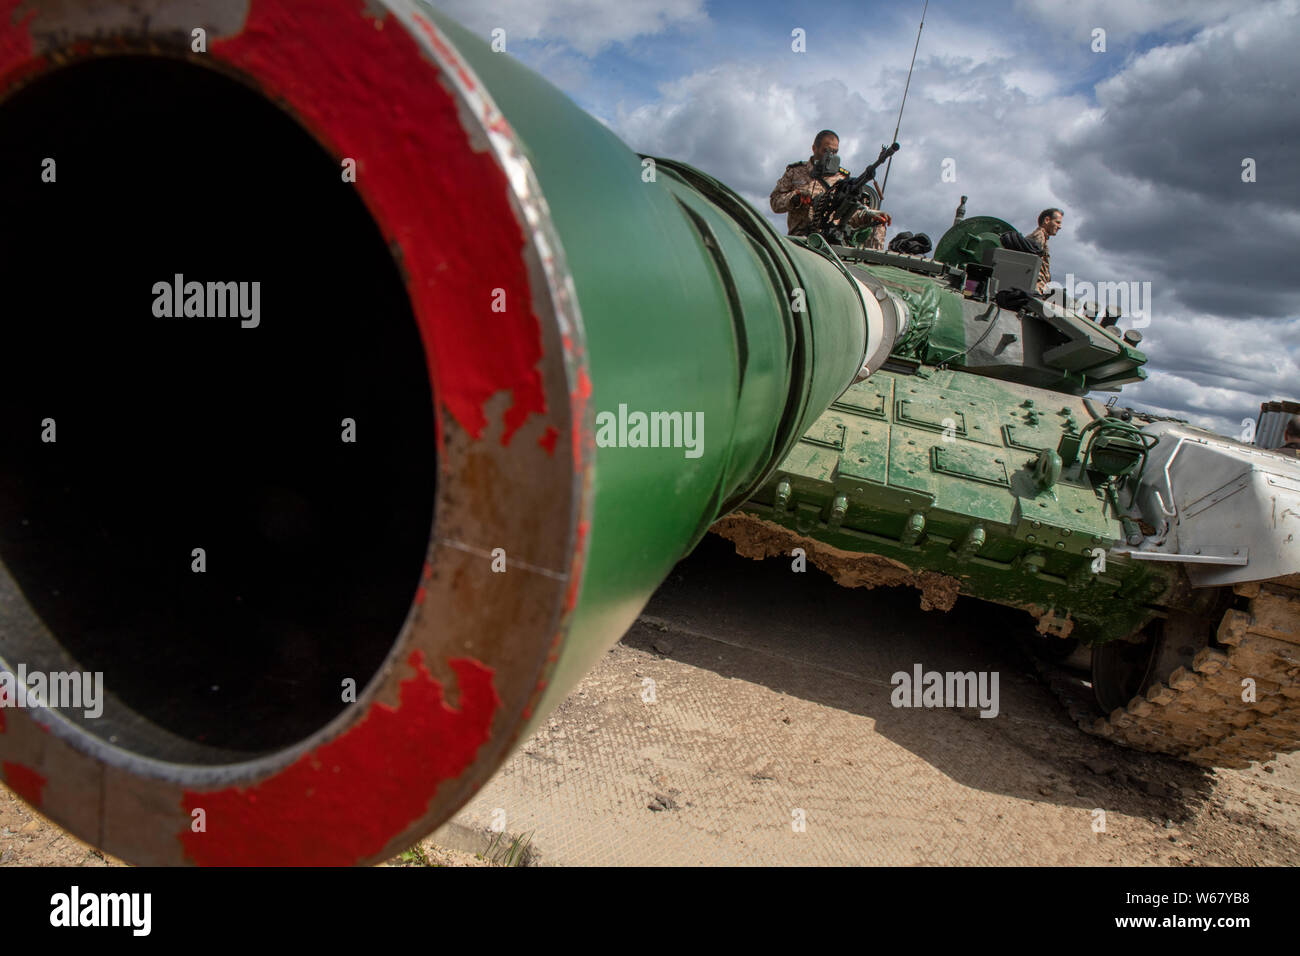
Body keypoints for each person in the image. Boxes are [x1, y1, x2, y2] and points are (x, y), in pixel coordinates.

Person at [770, 129, 891, 246]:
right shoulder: (795, 172)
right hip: (799, 241)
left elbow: (850, 212)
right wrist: (795, 198)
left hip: (830, 243)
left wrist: (869, 215)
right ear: (814, 148)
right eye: (826, 151)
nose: (830, 156)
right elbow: (775, 202)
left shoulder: (842, 179)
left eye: (835, 152)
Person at [1024, 208, 1062, 294]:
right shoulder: (1039, 236)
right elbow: (1032, 265)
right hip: (1035, 287)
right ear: (1047, 220)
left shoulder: (1043, 238)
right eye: (1057, 222)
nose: (1060, 227)